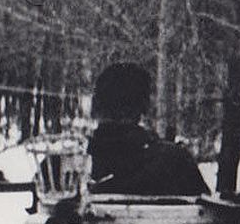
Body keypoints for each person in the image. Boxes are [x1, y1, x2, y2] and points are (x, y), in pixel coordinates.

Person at [86, 62, 208, 197]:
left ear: (97, 105)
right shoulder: (175, 162)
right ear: (144, 106)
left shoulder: (83, 169)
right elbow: (210, 210)